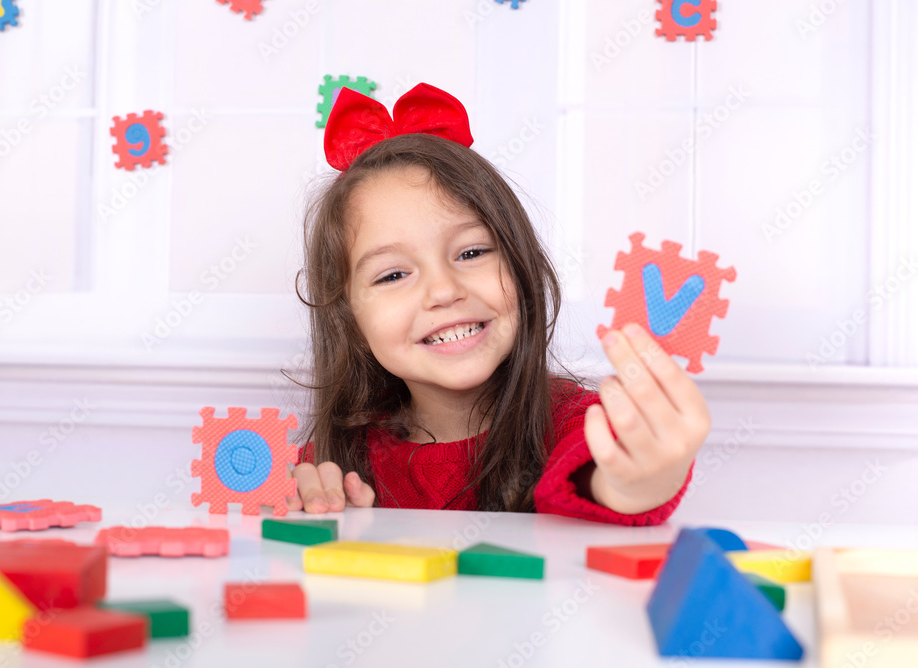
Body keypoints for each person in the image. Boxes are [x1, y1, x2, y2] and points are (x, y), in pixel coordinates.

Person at [284, 83, 711, 525]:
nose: (444, 291)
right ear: (349, 317)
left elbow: (595, 476)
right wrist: (330, 522)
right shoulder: (337, 458)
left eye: (471, 253)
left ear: (522, 265)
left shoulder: (579, 425)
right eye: (393, 275)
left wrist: (632, 483)